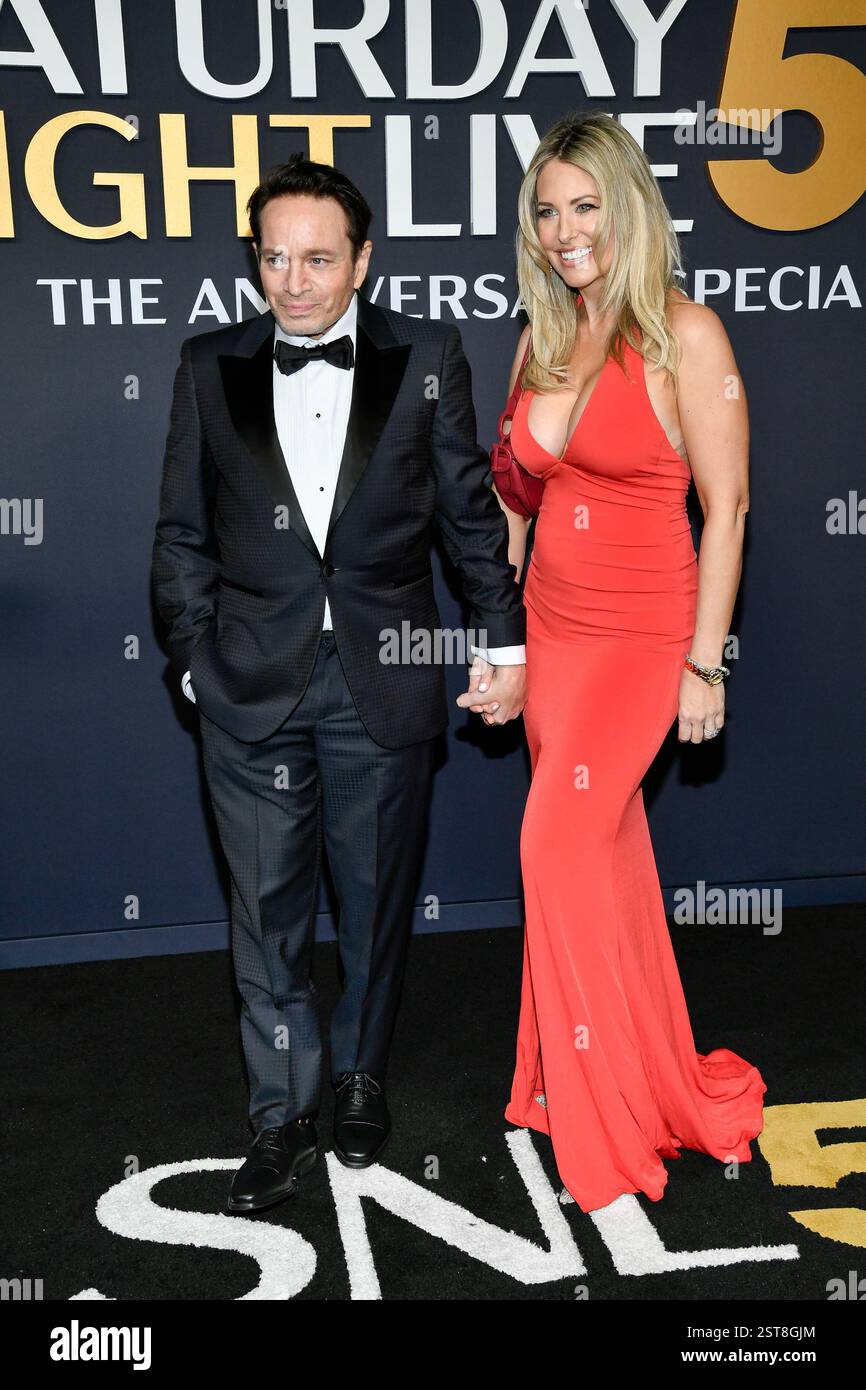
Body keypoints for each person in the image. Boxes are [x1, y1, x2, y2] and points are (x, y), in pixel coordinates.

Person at [151, 154, 526, 1215]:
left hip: (385, 676)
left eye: (318, 258)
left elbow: (465, 513)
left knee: (372, 905)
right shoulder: (206, 364)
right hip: (248, 686)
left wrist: (506, 640)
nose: (295, 280)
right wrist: (192, 656)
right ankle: (280, 1114)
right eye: (274, 258)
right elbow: (179, 534)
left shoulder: (424, 355)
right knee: (263, 920)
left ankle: (359, 1077)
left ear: (360, 259)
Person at [461, 111, 766, 1212]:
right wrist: (506, 648)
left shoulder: (687, 335)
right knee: (606, 867)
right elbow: (511, 501)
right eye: (544, 211)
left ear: (627, 208)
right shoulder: (539, 337)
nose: (562, 230)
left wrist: (702, 666)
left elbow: (724, 509)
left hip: (643, 639)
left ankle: (608, 1126)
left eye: (583, 205)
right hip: (554, 633)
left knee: (554, 846)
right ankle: (607, 1079)